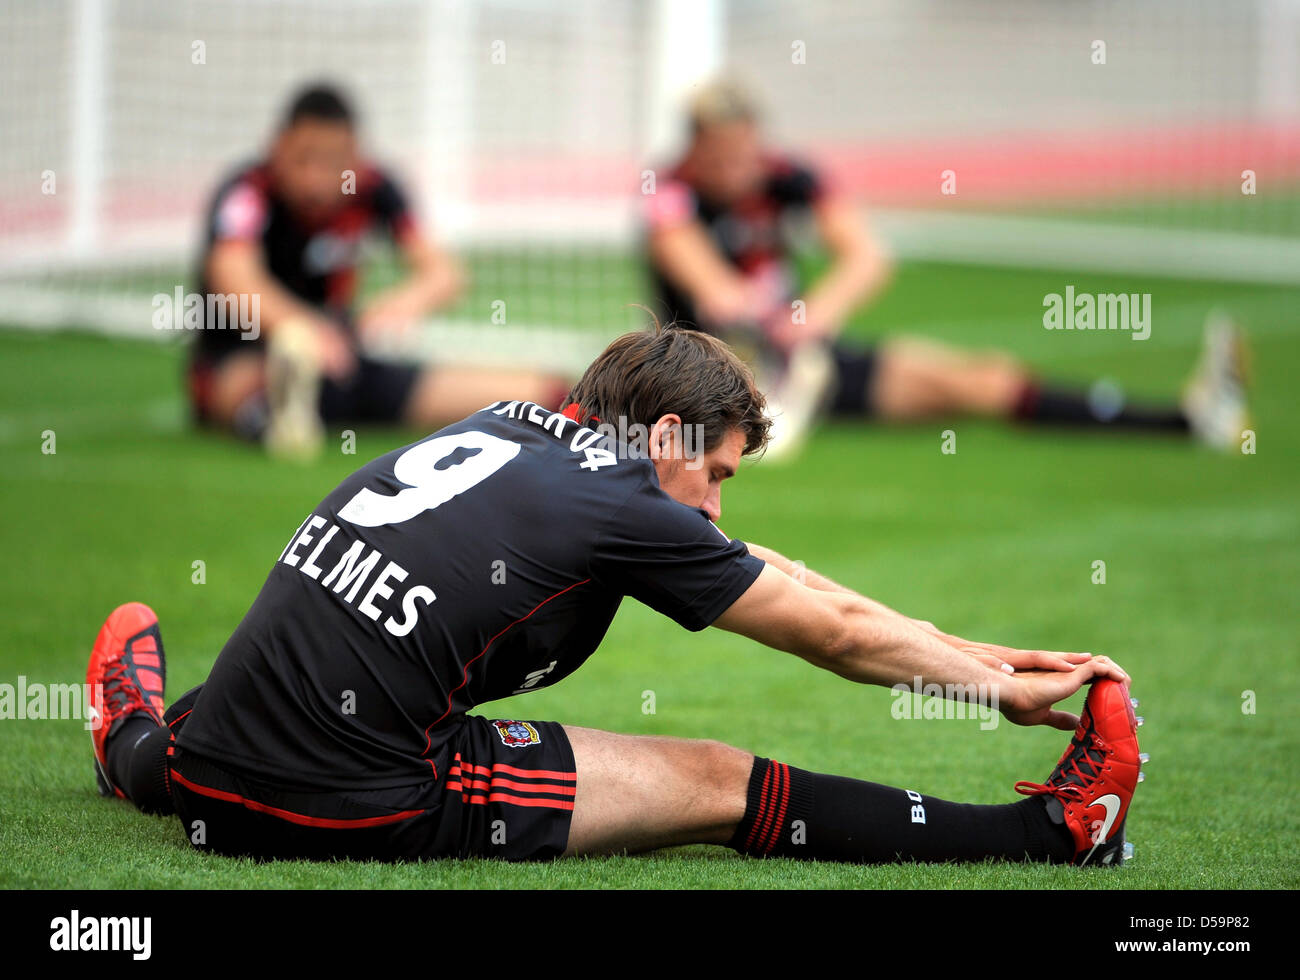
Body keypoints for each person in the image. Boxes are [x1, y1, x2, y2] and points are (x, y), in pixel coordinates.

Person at [89, 322, 1142, 867]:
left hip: (218, 756)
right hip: (357, 799)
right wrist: (995, 697)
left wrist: (993, 658)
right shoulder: (626, 504)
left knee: (230, 729)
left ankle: (134, 736)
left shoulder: (519, 431)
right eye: (719, 476)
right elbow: (828, 632)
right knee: (721, 780)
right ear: (669, 440)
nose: (718, 512)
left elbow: (797, 581)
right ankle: (1050, 837)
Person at [644, 78, 1249, 459]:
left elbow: (867, 255)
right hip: (720, 381)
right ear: (694, 149)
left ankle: (1188, 420)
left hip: (808, 363)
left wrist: (816, 316)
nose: (736, 168)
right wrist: (772, 325)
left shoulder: (786, 175)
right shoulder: (671, 194)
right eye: (721, 156)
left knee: (983, 380)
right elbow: (716, 292)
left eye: (745, 152)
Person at [187, 82, 569, 456]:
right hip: (246, 358)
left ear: (355, 157)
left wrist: (403, 302)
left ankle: (591, 417)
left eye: (331, 163)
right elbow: (233, 276)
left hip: (345, 362)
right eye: (303, 159)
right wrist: (304, 332)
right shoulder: (247, 191)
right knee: (252, 378)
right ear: (276, 147)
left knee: (533, 395)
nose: (315, 181)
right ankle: (273, 415)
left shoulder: (375, 188)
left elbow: (445, 273)